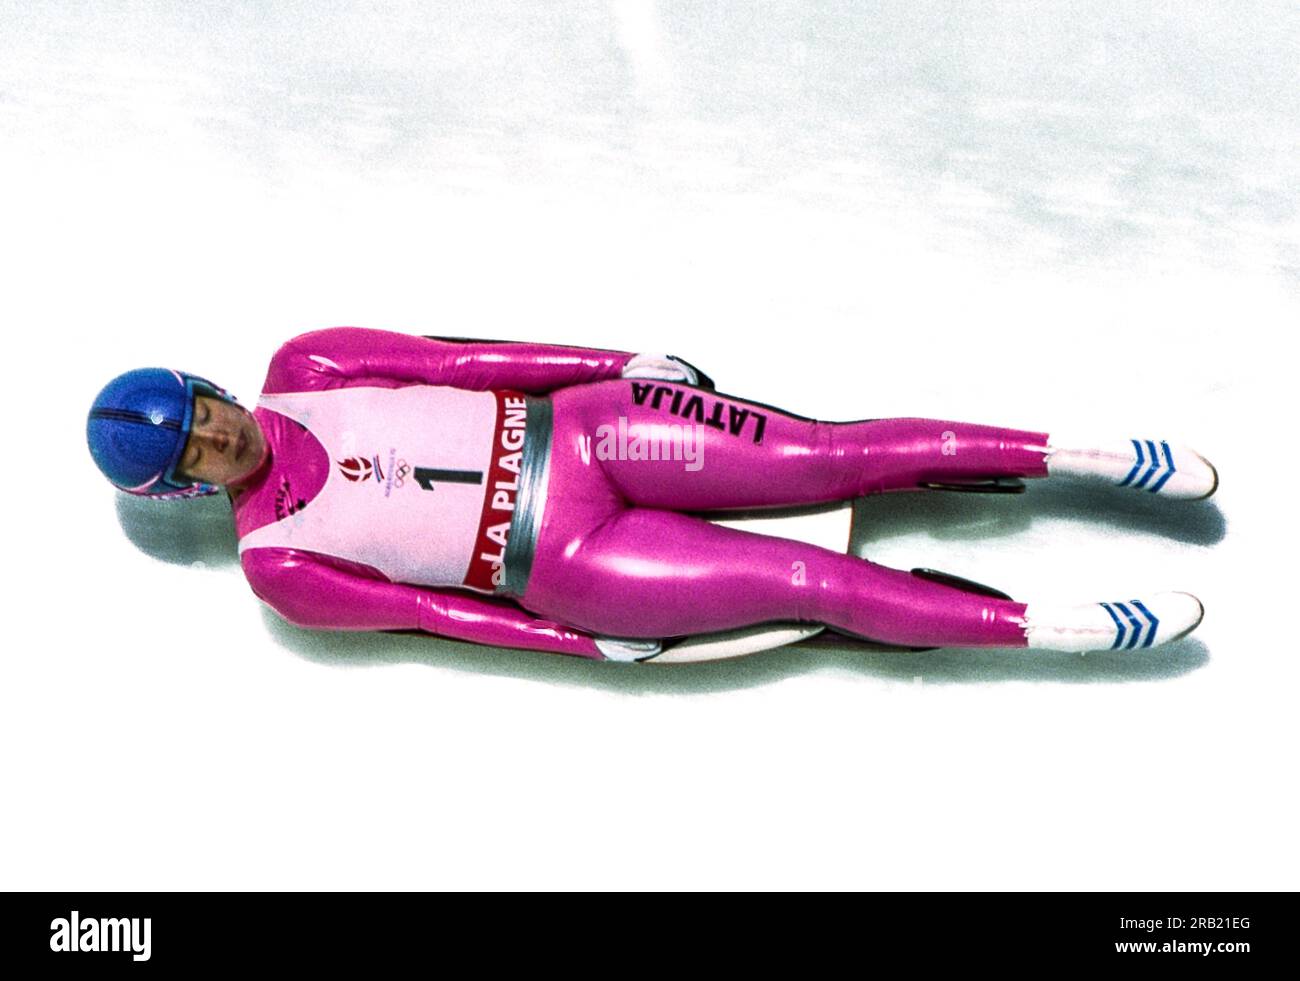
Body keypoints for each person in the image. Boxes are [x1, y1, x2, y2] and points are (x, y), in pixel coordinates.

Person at [87, 327, 1217, 662]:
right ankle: (1048, 628)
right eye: (196, 451)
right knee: (804, 579)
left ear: (213, 387)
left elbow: (473, 361)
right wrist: (586, 648)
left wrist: (611, 358)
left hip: (582, 430)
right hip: (568, 566)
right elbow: (436, 618)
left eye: (206, 410)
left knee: (822, 458)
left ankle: (1078, 455)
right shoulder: (278, 568)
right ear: (183, 488)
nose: (221, 436)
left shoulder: (312, 365)